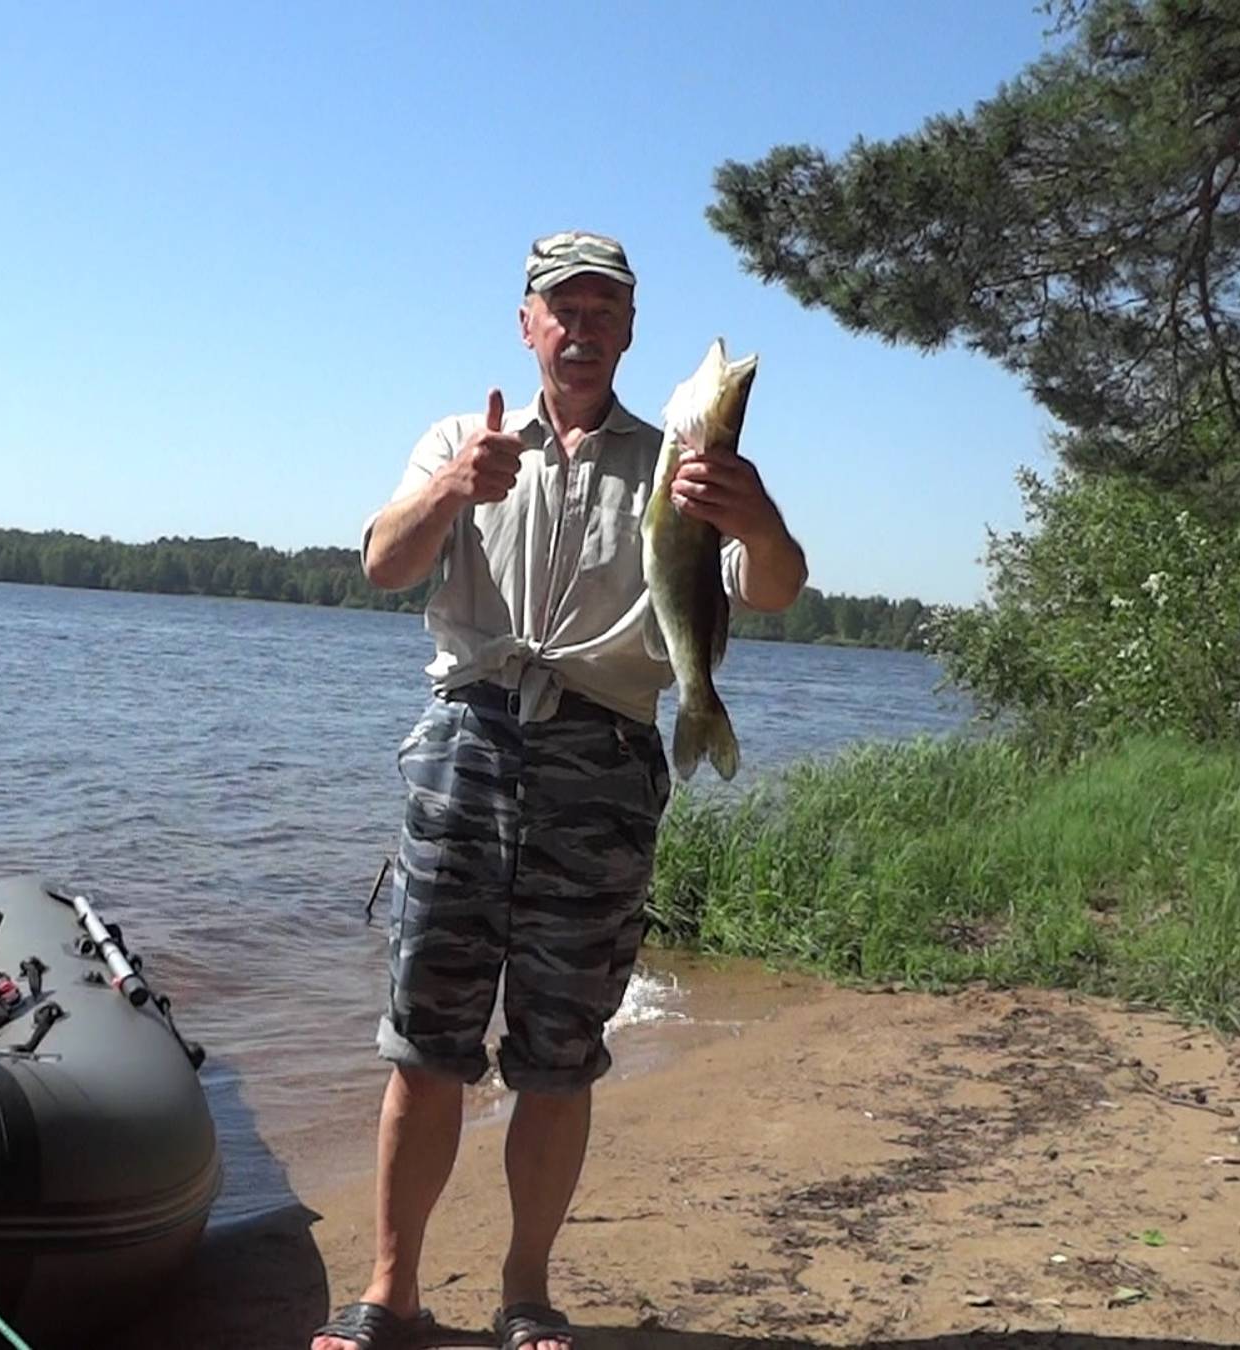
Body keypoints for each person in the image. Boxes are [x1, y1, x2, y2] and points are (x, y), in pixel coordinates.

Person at [309, 231, 807, 1350]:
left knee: (558, 1048)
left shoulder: (677, 464)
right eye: (561, 310)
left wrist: (756, 515)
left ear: (629, 330)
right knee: (426, 1035)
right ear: (527, 324)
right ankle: (389, 1292)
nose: (581, 330)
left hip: (608, 757)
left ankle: (527, 1296)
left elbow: (770, 591)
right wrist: (451, 488)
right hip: (468, 745)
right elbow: (383, 563)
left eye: (603, 312)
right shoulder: (461, 435)